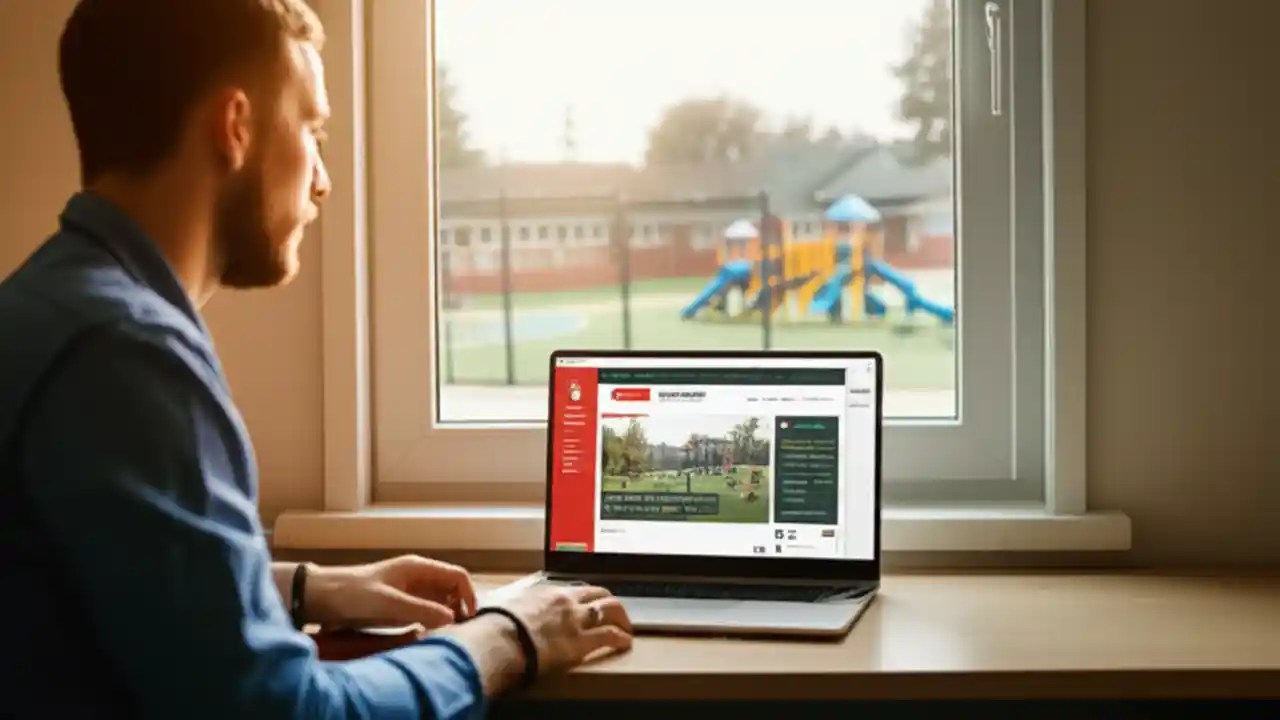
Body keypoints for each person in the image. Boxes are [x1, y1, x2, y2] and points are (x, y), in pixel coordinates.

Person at [0, 0, 632, 717]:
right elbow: (287, 710)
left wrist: (310, 587)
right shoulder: (127, 354)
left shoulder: (48, 307)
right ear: (235, 127)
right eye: (312, 129)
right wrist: (508, 637)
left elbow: (107, 572)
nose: (323, 180)